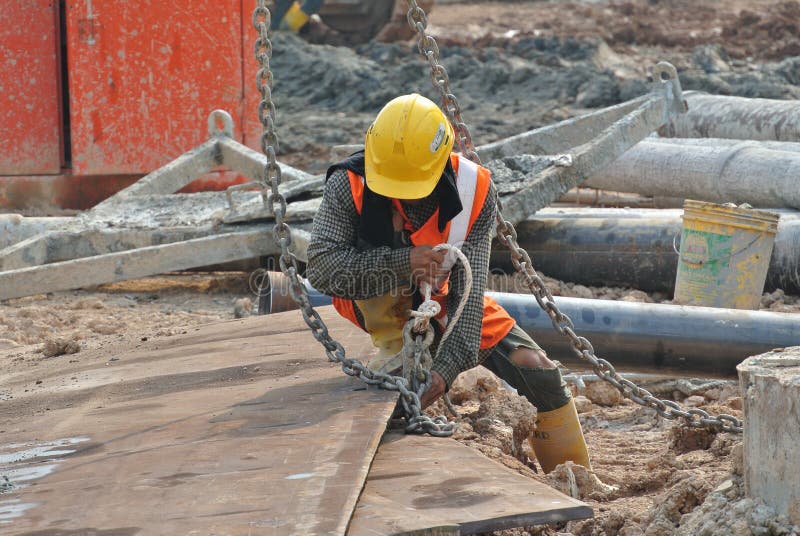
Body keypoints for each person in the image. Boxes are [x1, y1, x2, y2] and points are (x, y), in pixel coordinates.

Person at [306, 93, 591, 473]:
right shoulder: (349, 183)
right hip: (374, 300)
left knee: (536, 368)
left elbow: (468, 298)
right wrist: (403, 262)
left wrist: (446, 370)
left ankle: (576, 483)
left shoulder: (474, 191)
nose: (396, 194)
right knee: (392, 401)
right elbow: (324, 269)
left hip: (442, 297)